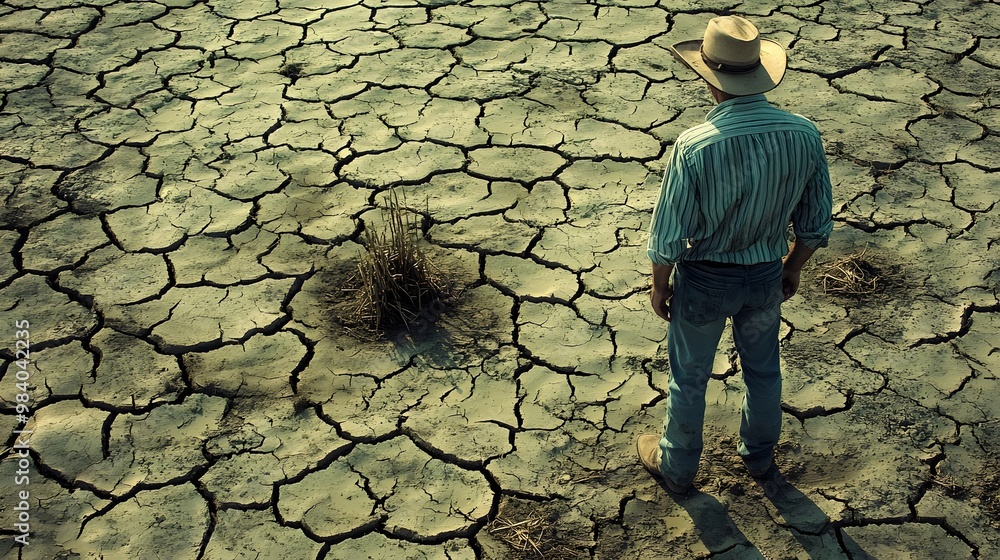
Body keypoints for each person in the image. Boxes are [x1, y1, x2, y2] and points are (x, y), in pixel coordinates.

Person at [636, 15, 833, 496]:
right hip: (765, 277)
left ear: (710, 79)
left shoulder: (696, 145)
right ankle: (760, 459)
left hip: (705, 281)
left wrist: (660, 286)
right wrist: (792, 268)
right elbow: (816, 222)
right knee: (764, 371)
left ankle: (679, 470)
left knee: (690, 379)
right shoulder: (803, 134)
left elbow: (668, 234)